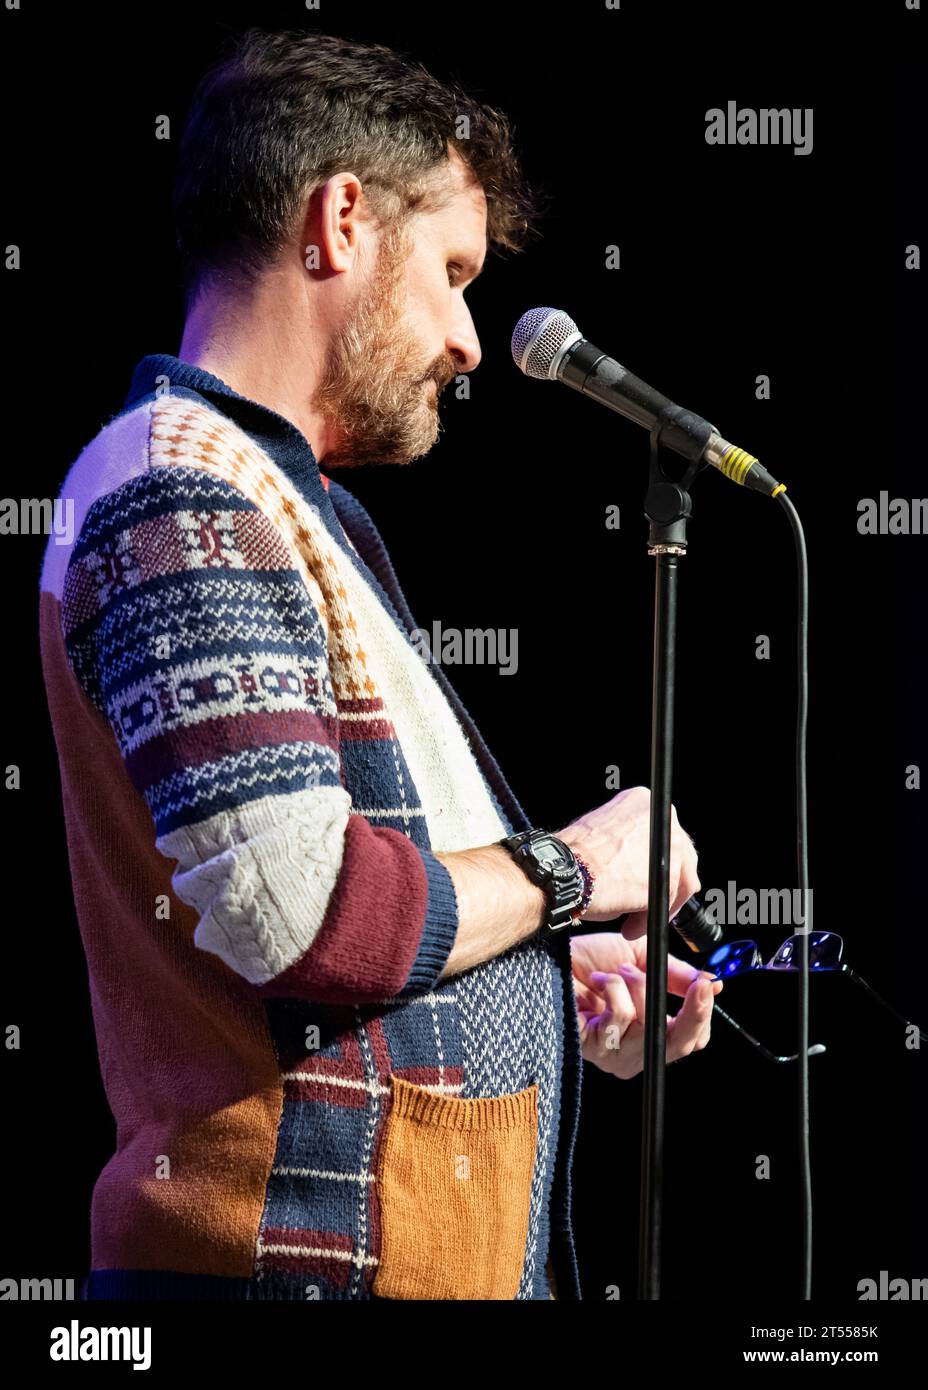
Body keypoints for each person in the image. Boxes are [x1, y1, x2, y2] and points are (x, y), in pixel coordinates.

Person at [38, 27, 720, 1302]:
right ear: (340, 220)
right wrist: (578, 868)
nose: (468, 340)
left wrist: (536, 970)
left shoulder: (281, 502)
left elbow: (343, 903)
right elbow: (297, 909)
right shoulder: (180, 493)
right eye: (453, 273)